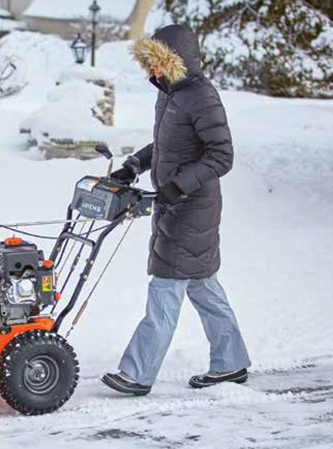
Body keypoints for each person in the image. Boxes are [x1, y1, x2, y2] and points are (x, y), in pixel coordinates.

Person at [101, 24, 251, 396]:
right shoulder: (171, 93)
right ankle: (231, 363)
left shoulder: (201, 95)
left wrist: (179, 185)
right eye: (149, 63)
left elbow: (222, 156)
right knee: (202, 286)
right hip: (175, 204)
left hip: (192, 207)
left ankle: (136, 374)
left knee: (165, 287)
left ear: (176, 61)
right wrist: (134, 164)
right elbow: (168, 143)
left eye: (157, 63)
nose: (151, 71)